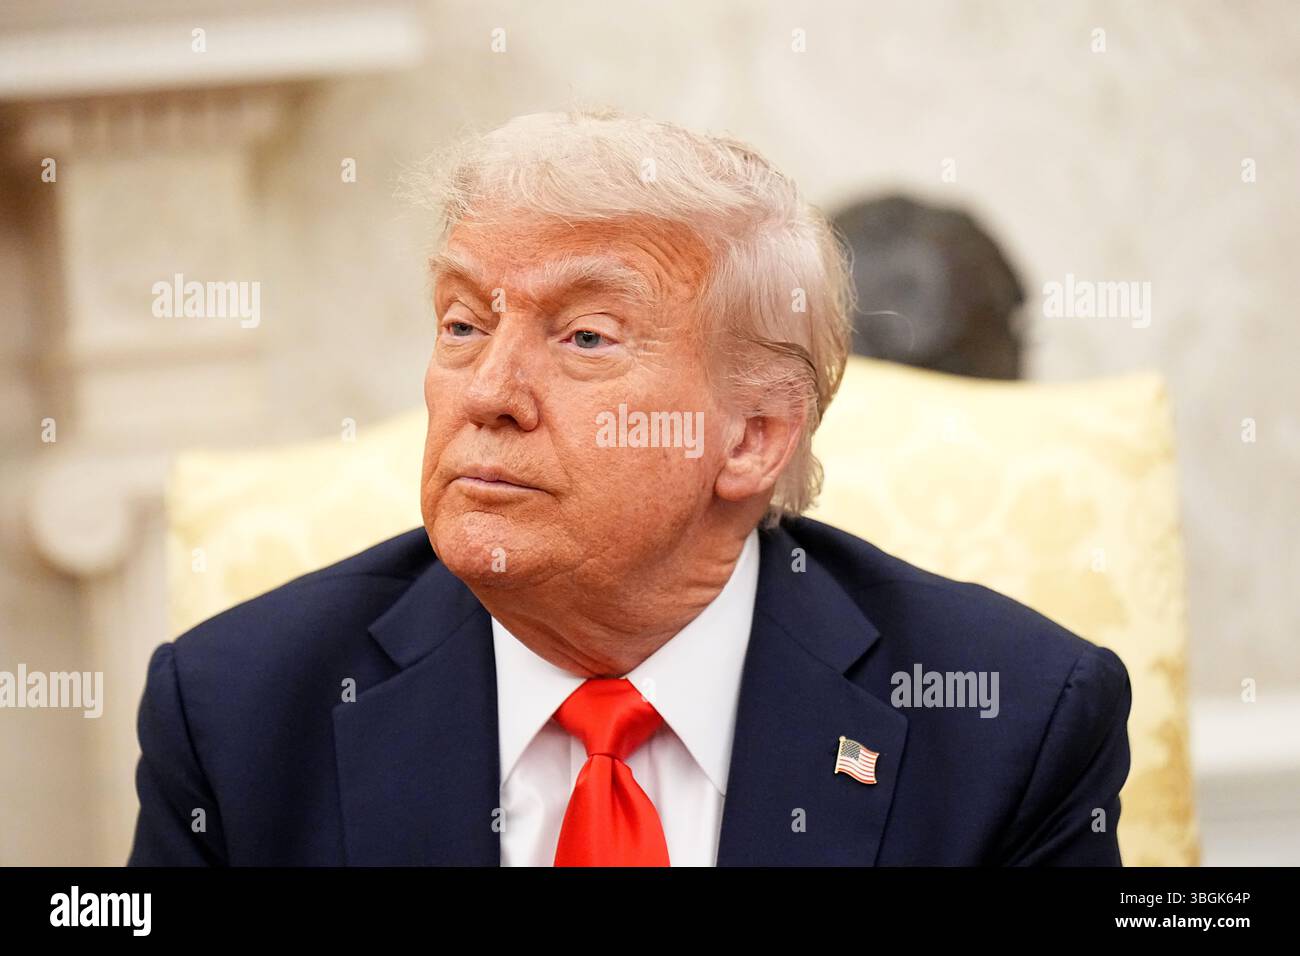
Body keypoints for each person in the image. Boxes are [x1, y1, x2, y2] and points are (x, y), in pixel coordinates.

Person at [127, 108, 1131, 866]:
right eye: (465, 321)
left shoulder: (1011, 723)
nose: (488, 392)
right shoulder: (240, 713)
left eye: (585, 337)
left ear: (751, 437)